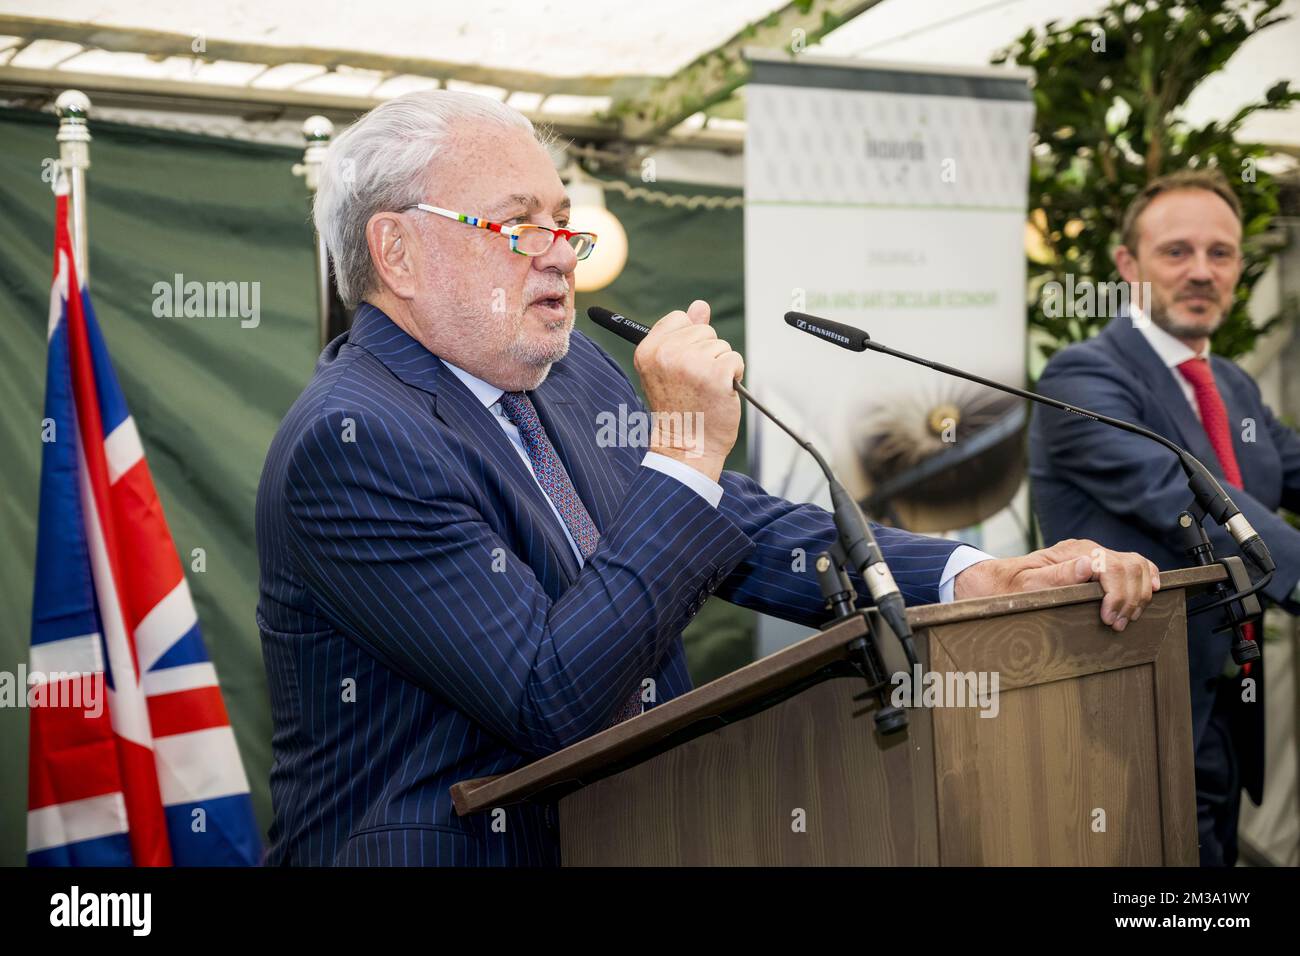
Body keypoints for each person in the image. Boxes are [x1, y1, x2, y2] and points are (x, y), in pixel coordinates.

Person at [256, 89, 1159, 866]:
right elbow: (551, 700)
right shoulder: (355, 441)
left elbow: (733, 527)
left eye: (562, 221)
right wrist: (686, 445)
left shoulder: (564, 374)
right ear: (398, 253)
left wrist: (973, 578)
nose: (563, 253)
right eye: (521, 222)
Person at [1031, 169, 1300, 865]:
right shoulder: (1083, 378)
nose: (1202, 272)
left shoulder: (1232, 382)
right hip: (1128, 711)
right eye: (1176, 252)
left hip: (1224, 699)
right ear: (1128, 267)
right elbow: (1182, 497)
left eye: (1221, 253)